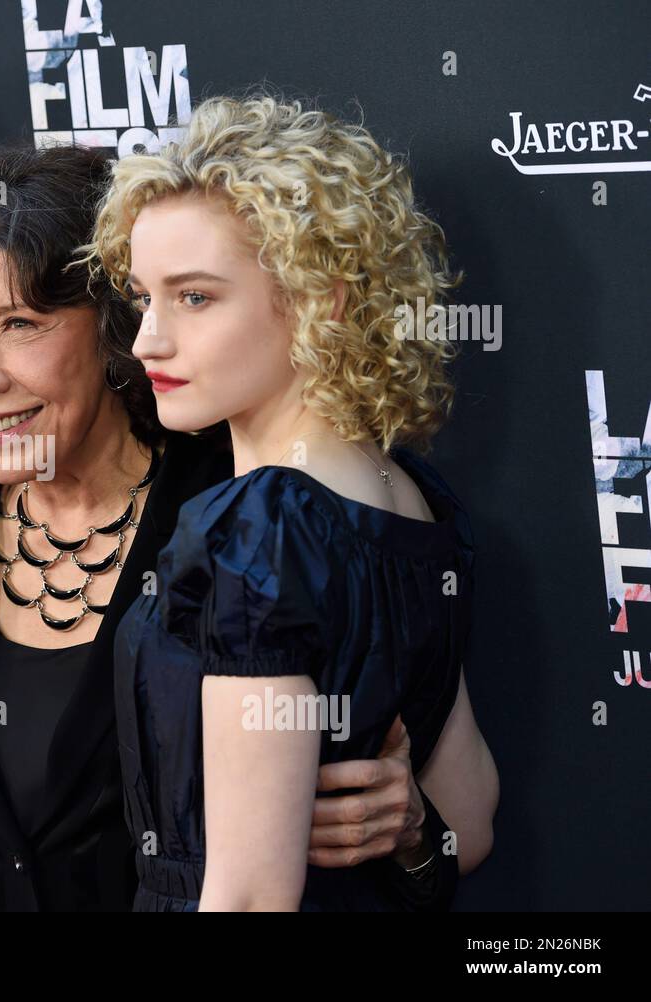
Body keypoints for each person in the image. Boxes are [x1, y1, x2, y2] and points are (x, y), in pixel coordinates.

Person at [0, 142, 470, 910]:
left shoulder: (248, 509)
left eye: (21, 323)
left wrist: (412, 833)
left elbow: (451, 823)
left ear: (109, 328)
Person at [82, 93, 500, 910]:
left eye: (195, 298)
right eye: (144, 297)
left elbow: (246, 900)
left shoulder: (262, 531)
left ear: (321, 300)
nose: (147, 340)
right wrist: (410, 826)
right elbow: (469, 824)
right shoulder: (412, 499)